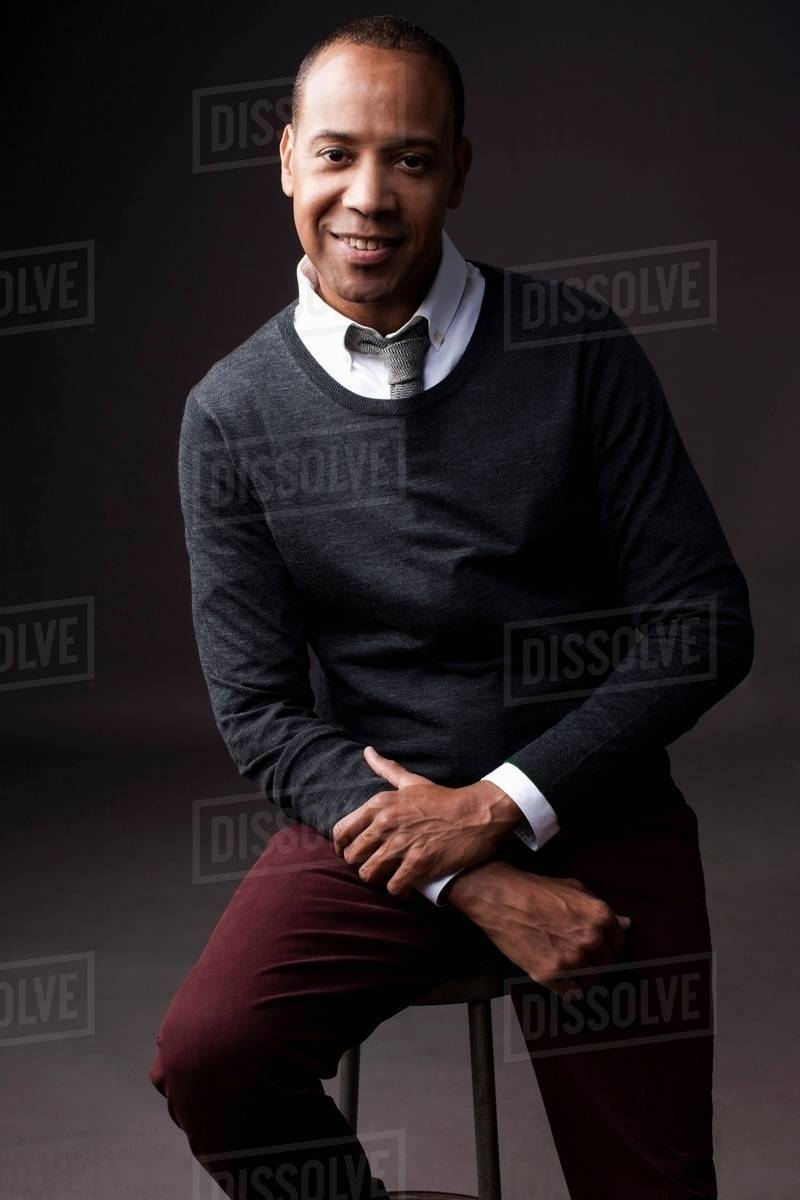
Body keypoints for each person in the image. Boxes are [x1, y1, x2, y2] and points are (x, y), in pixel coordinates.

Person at [148, 15, 754, 1199]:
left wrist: (500, 807)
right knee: (212, 1061)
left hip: (594, 803)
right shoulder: (229, 413)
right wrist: (462, 871)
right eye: (334, 154)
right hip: (376, 833)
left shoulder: (575, 350)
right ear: (284, 161)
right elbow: (263, 712)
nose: (365, 196)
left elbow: (703, 622)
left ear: (457, 171)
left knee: (653, 1183)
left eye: (408, 159)